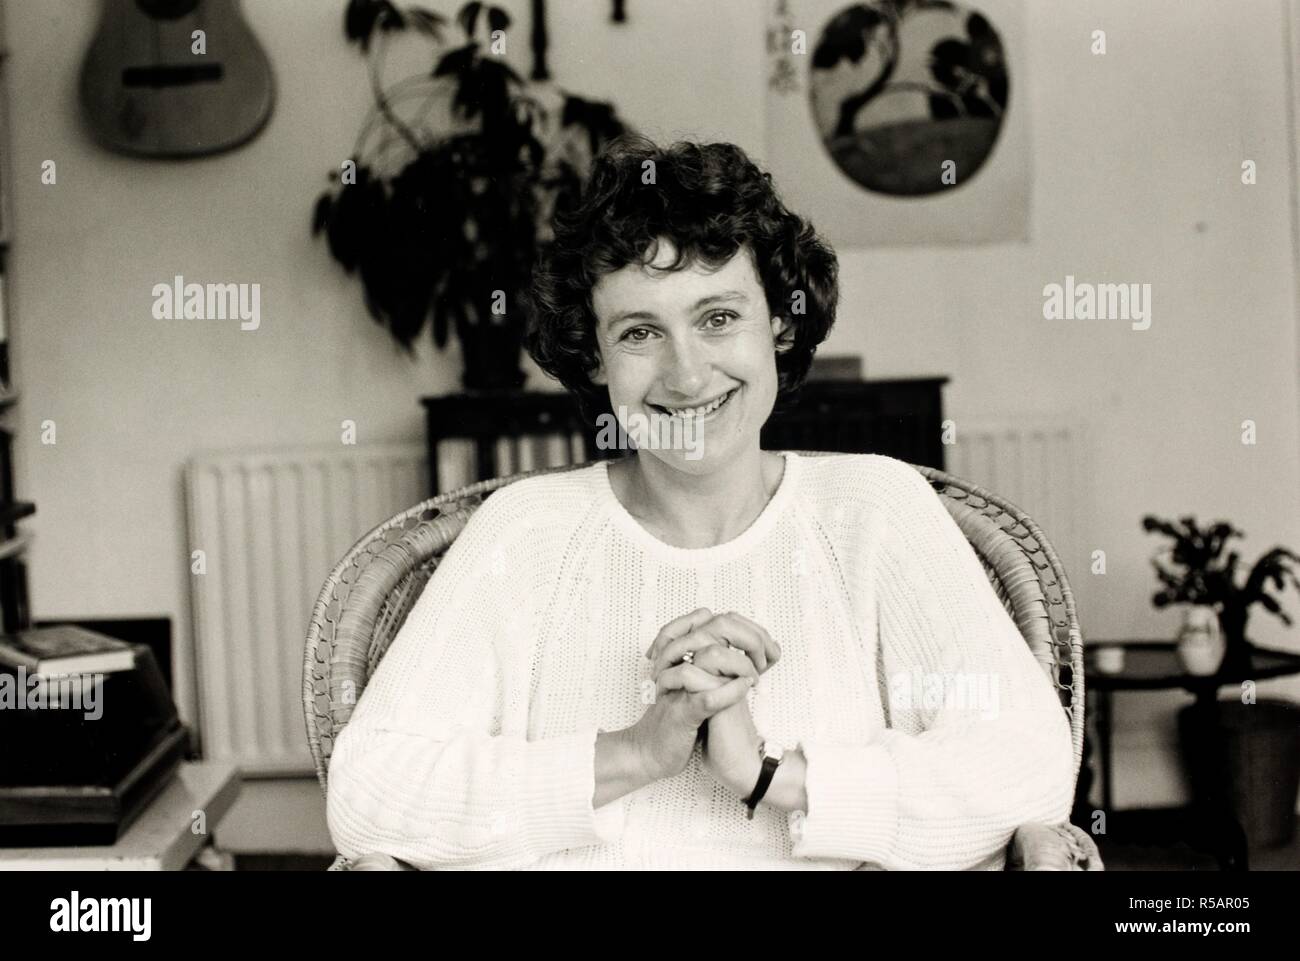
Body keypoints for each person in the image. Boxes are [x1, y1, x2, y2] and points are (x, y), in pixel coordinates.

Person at [326, 135, 1075, 870]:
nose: (686, 376)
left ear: (779, 324)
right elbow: (368, 795)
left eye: (718, 318)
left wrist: (771, 775)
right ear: (594, 355)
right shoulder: (523, 534)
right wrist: (635, 752)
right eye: (640, 331)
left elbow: (1028, 768)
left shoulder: (878, 510)